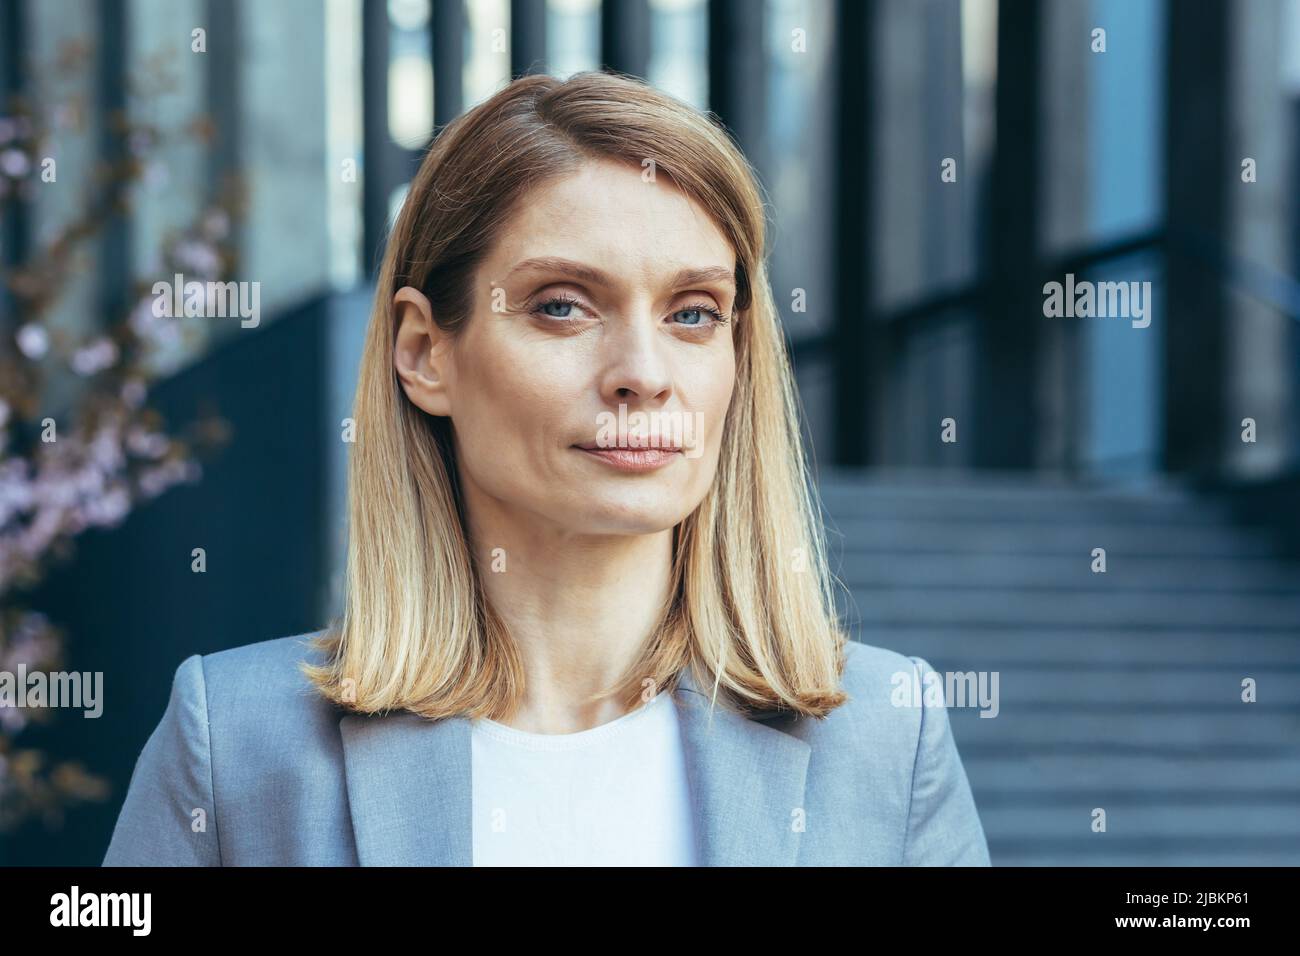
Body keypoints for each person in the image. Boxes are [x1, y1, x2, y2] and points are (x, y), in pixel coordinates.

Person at [103, 70, 990, 867]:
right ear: (424, 352)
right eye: (562, 306)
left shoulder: (885, 733)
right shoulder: (238, 746)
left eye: (692, 313)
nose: (643, 373)